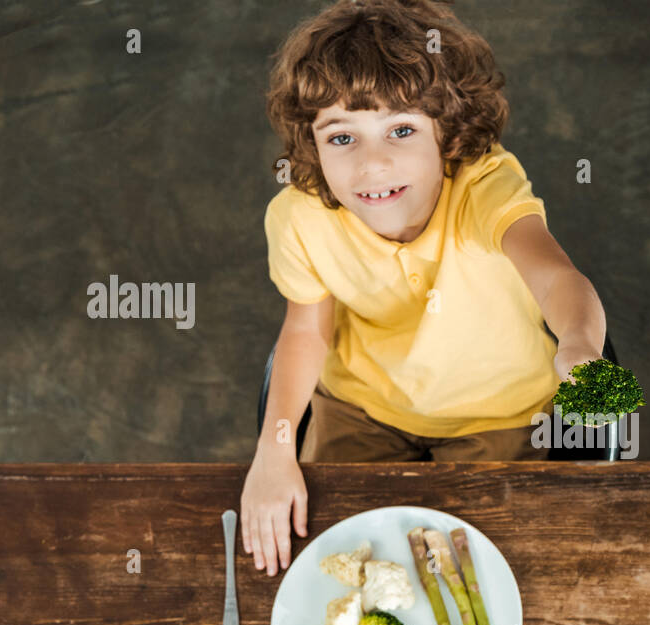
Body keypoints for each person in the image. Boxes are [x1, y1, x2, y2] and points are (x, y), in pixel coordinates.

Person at [242, 0, 606, 576]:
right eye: (342, 138)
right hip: (360, 410)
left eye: (402, 130)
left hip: (498, 415)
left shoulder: (485, 183)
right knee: (334, 563)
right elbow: (306, 329)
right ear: (311, 146)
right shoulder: (298, 215)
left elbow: (557, 277)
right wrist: (273, 449)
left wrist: (581, 347)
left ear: (449, 134)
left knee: (490, 570)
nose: (372, 165)